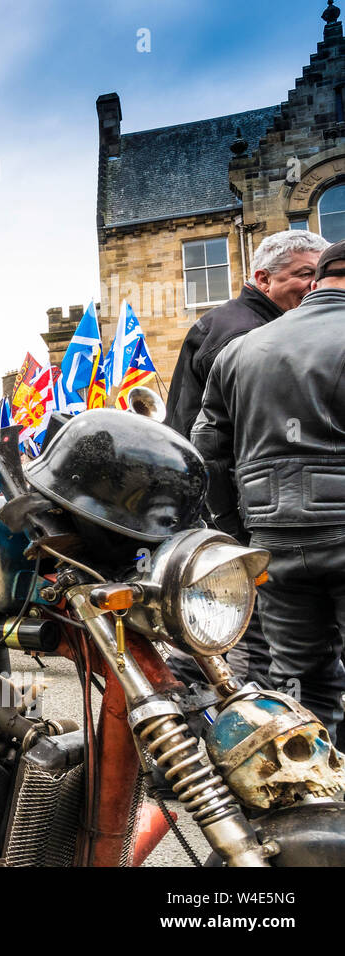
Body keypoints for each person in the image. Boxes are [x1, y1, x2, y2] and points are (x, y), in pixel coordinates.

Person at [192, 238, 345, 744]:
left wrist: (242, 533)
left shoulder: (241, 349)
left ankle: (312, 799)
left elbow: (206, 450)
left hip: (272, 539)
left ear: (319, 280)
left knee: (298, 679)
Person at [165, 229, 327, 437]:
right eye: (305, 274)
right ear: (264, 280)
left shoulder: (235, 320)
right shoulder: (247, 336)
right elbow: (265, 428)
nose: (316, 285)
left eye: (320, 276)